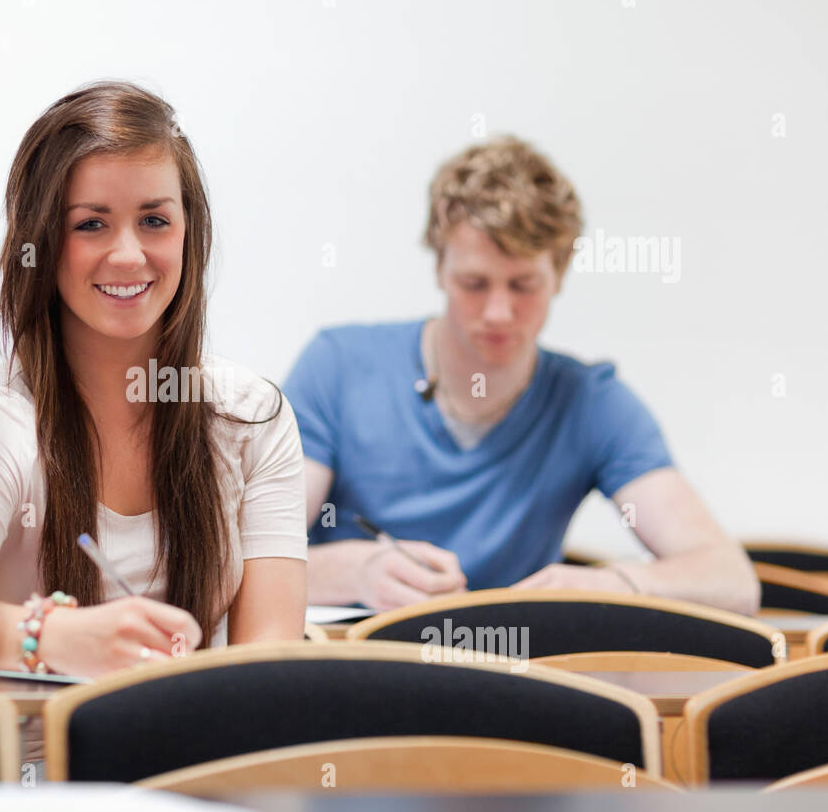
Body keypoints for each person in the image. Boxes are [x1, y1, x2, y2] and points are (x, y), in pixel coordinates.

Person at [282, 136, 758, 615]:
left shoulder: (591, 403)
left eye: (523, 285)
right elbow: (247, 562)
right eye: (474, 284)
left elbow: (730, 581)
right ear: (440, 268)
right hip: (354, 670)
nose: (498, 311)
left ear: (559, 276)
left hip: (512, 681)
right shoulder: (338, 367)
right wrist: (355, 572)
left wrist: (614, 584)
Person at [0, 82, 307, 682]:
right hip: (29, 770)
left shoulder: (249, 415)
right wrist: (52, 636)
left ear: (191, 231)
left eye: (155, 220)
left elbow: (269, 658)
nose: (130, 256)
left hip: (192, 763)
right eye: (91, 225)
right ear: (42, 243)